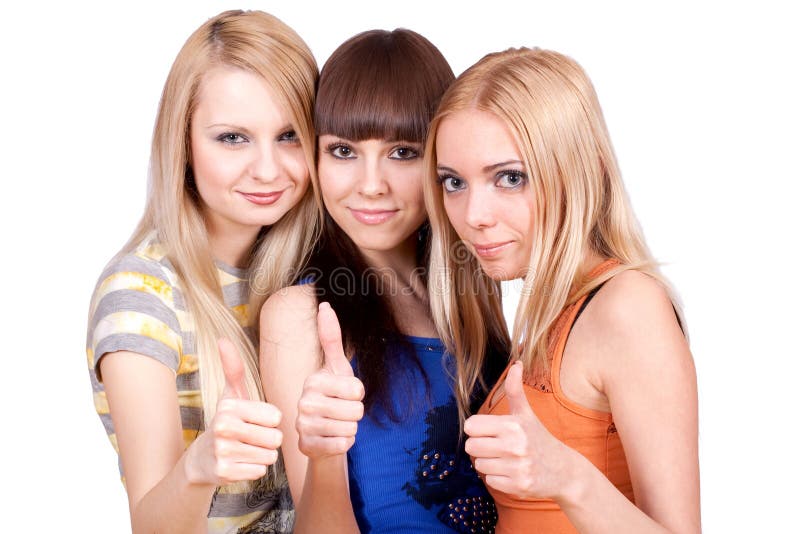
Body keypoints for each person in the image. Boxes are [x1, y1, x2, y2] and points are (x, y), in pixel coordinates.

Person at [423, 47, 701, 533]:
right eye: (454, 182)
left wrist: (571, 479)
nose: (473, 216)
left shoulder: (626, 306)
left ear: (582, 170)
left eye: (510, 178)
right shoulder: (551, 312)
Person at [260, 29, 508, 533]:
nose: (371, 185)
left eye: (402, 152)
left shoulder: (472, 290)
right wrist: (325, 454)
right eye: (344, 152)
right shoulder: (302, 315)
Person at [85, 10, 319, 533]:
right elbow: (151, 525)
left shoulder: (308, 268)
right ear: (184, 145)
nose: (267, 169)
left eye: (289, 136)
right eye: (233, 138)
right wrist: (201, 466)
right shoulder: (141, 293)